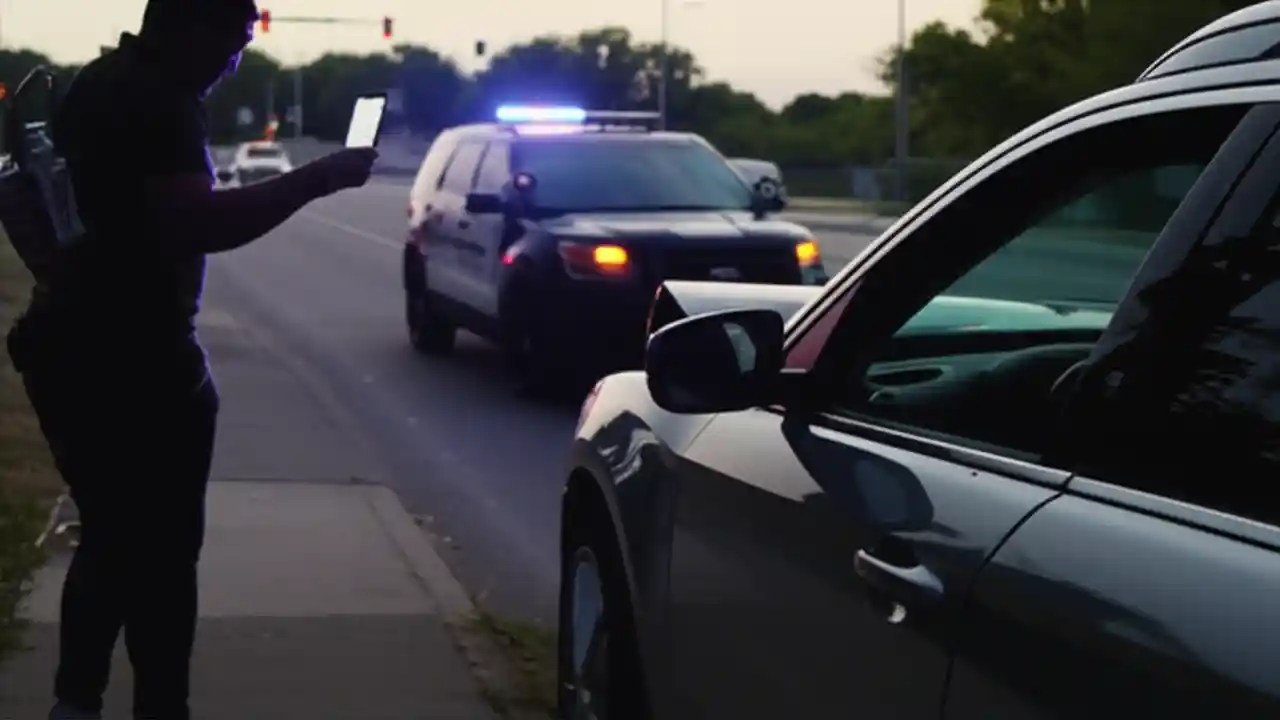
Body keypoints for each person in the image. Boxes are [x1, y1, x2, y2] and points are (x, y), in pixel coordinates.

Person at [5, 1, 378, 718]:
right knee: (162, 559)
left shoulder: (103, 80)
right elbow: (198, 221)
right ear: (189, 26)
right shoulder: (159, 101)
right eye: (234, 44)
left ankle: (75, 701)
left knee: (113, 538)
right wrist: (318, 178)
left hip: (76, 343)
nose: (234, 62)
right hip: (133, 360)